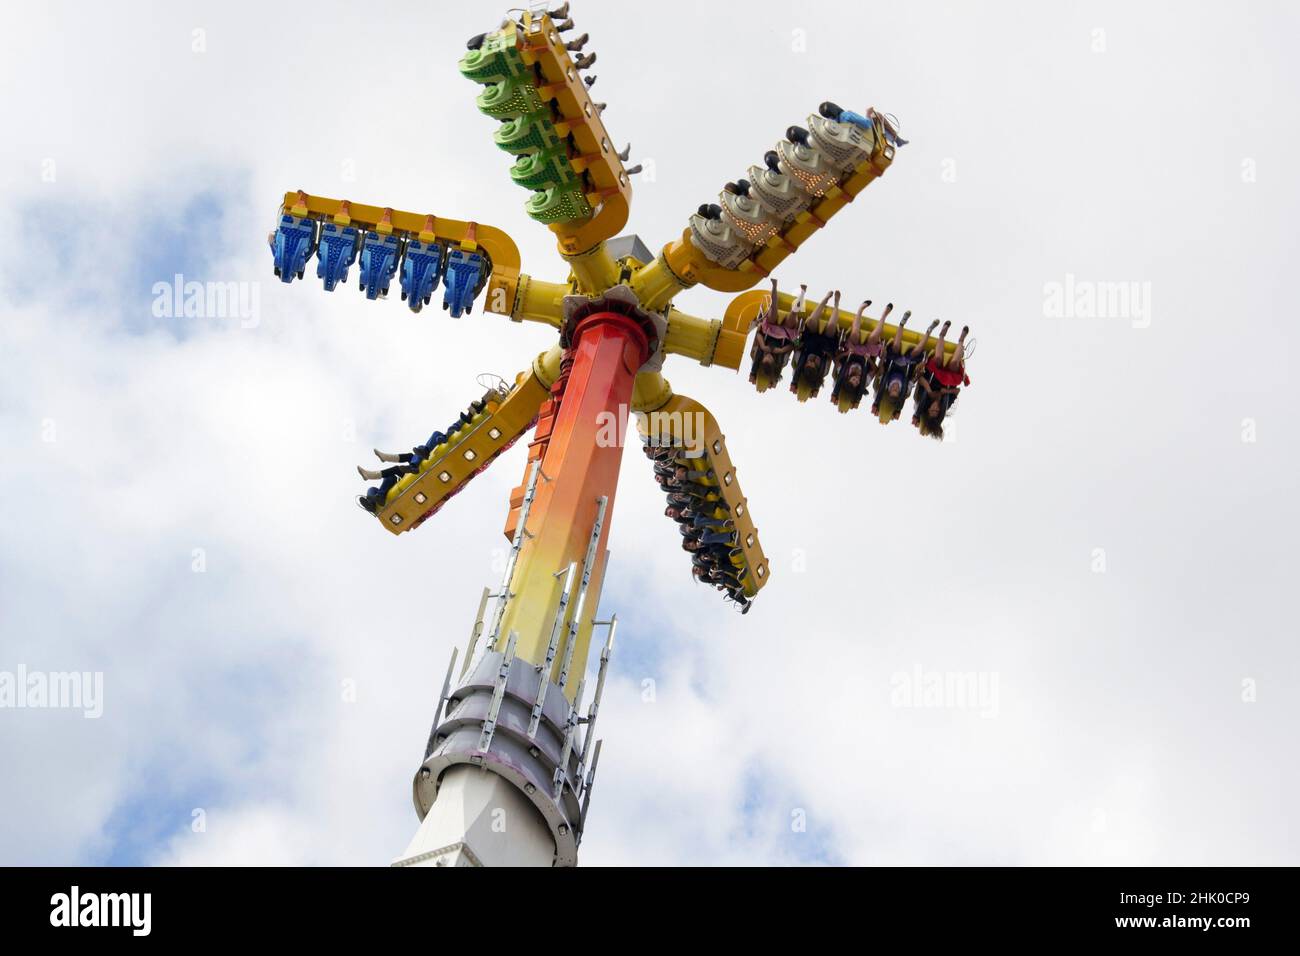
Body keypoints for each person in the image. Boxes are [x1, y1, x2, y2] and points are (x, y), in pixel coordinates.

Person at [871, 312, 937, 421]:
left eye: (893, 389)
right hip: (907, 362)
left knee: (896, 347)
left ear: (888, 391)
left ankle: (902, 323)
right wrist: (920, 368)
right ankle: (929, 331)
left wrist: (883, 356)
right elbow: (913, 379)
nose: (895, 388)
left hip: (893, 358)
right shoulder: (905, 391)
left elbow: (881, 369)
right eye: (897, 390)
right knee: (916, 352)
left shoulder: (884, 384)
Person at [912, 321, 970, 440]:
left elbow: (920, 379)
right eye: (937, 411)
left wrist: (929, 391)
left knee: (938, 359)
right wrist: (946, 392)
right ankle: (961, 339)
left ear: (928, 410)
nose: (936, 408)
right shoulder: (945, 405)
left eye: (932, 410)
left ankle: (942, 335)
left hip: (934, 372)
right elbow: (957, 391)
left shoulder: (921, 400)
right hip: (948, 377)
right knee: (954, 364)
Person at [830, 300, 891, 407]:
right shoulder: (865, 381)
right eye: (857, 382)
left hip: (852, 350)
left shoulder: (843, 373)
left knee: (855, 334)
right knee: (873, 337)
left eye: (854, 379)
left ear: (849, 378)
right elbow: (875, 370)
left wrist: (847, 353)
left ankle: (860, 309)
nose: (857, 379)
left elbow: (836, 360)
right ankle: (884, 315)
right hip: (865, 353)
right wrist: (869, 359)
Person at [790, 289, 840, 397]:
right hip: (826, 342)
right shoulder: (824, 370)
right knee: (831, 326)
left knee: (812, 320)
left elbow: (795, 346)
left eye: (808, 363)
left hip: (810, 337)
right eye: (813, 364)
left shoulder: (798, 362)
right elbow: (831, 358)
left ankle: (825, 299)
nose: (810, 362)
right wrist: (830, 354)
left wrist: (797, 338)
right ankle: (836, 304)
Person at [749, 279, 799, 386]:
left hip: (770, 328)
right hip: (785, 332)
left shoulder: (762, 352)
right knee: (793, 316)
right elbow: (794, 345)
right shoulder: (780, 360)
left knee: (773, 310)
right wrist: (781, 350)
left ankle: (774, 286)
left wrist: (763, 346)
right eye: (770, 358)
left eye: (765, 358)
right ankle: (801, 295)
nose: (768, 356)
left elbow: (758, 335)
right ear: (773, 362)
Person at [818, 101, 908, 148]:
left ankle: (897, 139)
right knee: (875, 114)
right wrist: (869, 113)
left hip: (860, 143)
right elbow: (867, 124)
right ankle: (897, 139)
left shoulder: (836, 127)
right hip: (870, 137)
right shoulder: (846, 115)